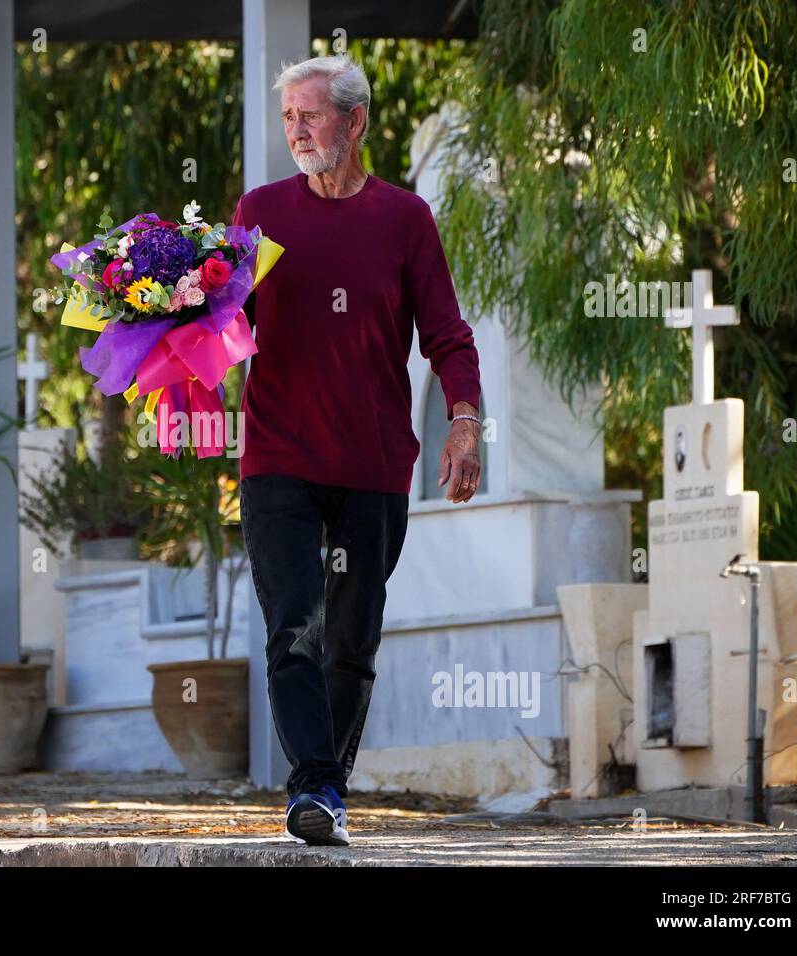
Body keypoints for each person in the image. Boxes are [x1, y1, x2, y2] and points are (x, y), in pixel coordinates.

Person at [231, 54, 483, 846]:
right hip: (277, 454)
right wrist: (158, 321)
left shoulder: (403, 219)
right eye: (289, 119)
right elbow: (221, 319)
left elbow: (446, 334)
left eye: (310, 116)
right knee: (293, 624)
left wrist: (467, 421)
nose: (297, 132)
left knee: (352, 635)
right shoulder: (259, 210)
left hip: (372, 462)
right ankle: (314, 789)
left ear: (356, 120)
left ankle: (329, 788)